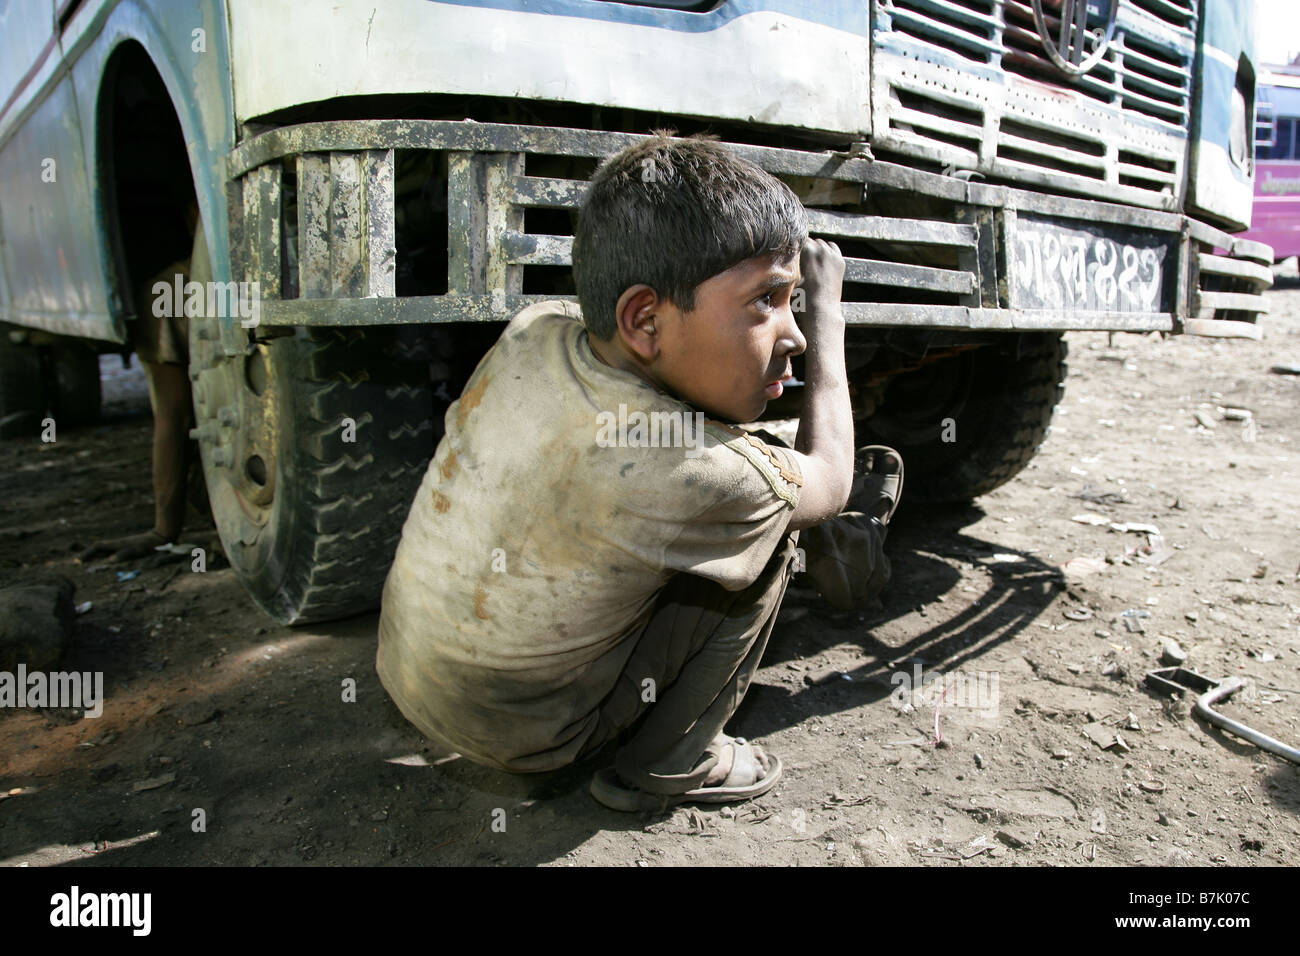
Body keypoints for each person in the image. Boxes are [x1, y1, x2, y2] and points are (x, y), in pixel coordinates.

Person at [376, 133, 902, 812]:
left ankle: (846, 555)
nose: (791, 332)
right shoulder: (702, 473)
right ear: (645, 319)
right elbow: (828, 479)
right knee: (776, 518)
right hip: (533, 735)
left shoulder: (536, 328)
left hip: (414, 680)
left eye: (794, 303)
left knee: (745, 471)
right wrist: (829, 318)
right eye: (766, 301)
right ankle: (671, 762)